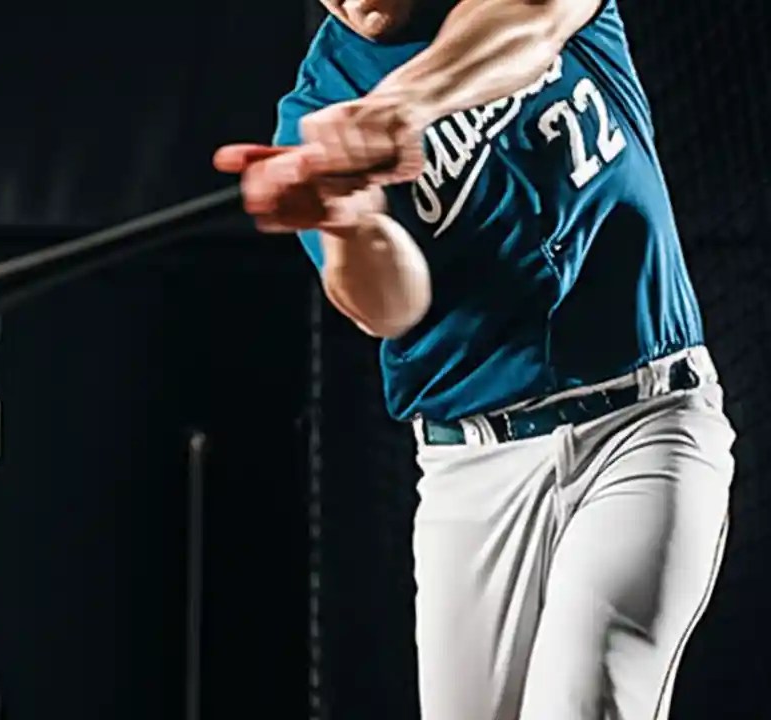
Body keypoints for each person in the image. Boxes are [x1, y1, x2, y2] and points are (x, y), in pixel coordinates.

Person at [214, 1, 735, 718]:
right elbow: (389, 307)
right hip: (472, 469)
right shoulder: (320, 103)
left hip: (642, 421)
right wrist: (348, 219)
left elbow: (534, 23)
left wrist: (400, 106)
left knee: (585, 699)